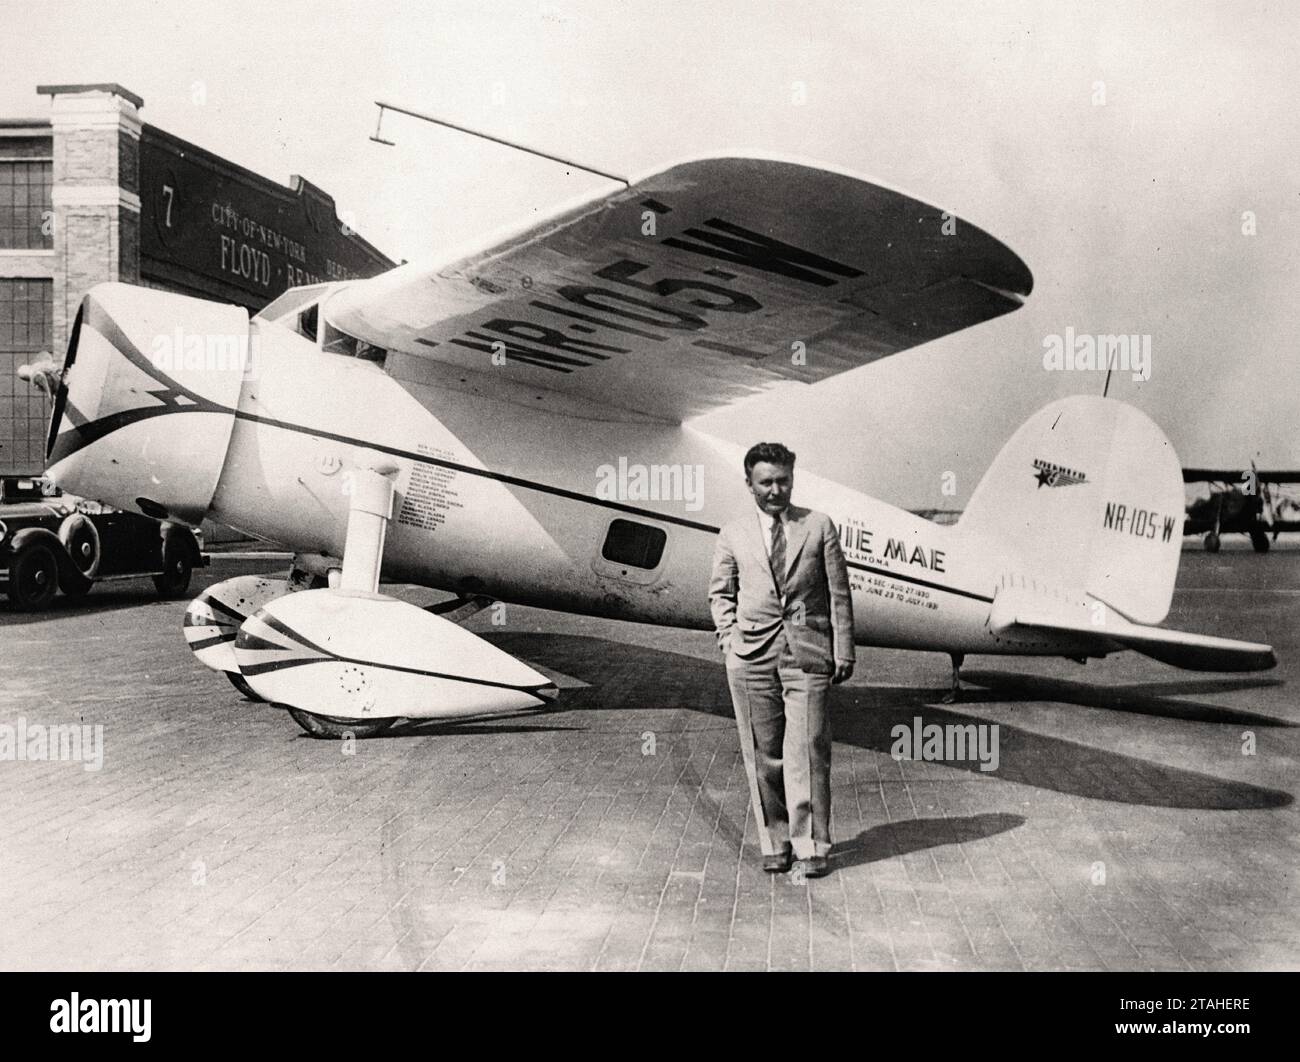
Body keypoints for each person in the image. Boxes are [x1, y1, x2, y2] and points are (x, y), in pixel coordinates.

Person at [708, 442, 854, 878]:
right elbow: (720, 592)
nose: (776, 489)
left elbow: (838, 594)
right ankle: (775, 840)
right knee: (762, 753)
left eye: (783, 480)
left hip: (806, 655)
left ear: (793, 478)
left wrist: (842, 648)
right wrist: (729, 641)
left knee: (808, 749)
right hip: (751, 656)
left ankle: (811, 846)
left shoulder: (819, 526)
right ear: (750, 484)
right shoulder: (733, 532)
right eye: (766, 482)